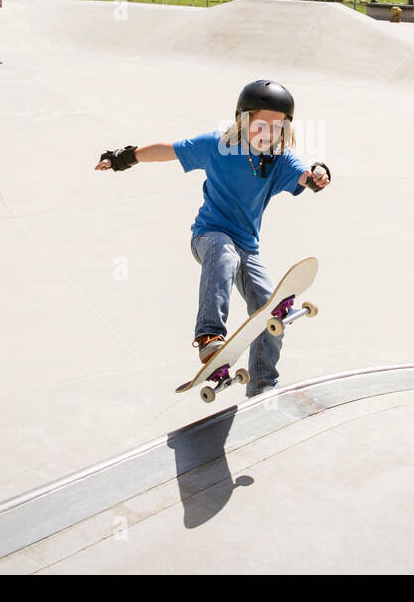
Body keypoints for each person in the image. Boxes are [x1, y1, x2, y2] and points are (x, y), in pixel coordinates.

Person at [95, 79, 331, 397]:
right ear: (243, 121)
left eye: (278, 128)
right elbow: (169, 150)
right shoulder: (217, 146)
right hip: (209, 237)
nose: (269, 134)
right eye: (262, 125)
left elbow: (305, 176)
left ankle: (262, 382)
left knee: (270, 309)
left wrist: (317, 175)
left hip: (247, 247)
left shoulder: (279, 162)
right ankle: (209, 336)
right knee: (224, 252)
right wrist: (125, 157)